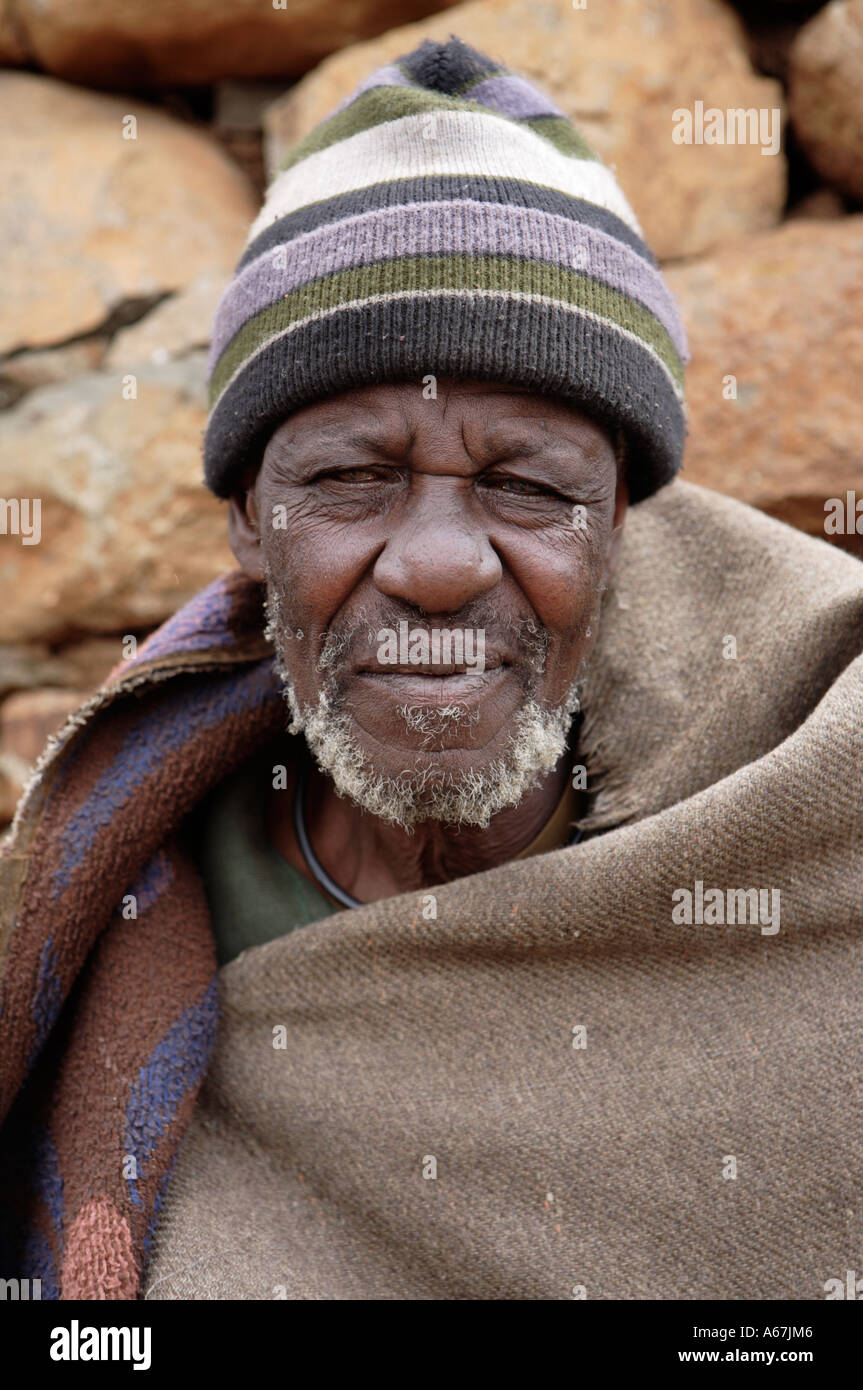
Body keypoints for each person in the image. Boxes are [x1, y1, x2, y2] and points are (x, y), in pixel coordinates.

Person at [1, 37, 861, 1302]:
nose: (441, 565)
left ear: (619, 522)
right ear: (247, 518)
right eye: (351, 478)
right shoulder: (122, 894)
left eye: (524, 486)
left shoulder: (811, 819)